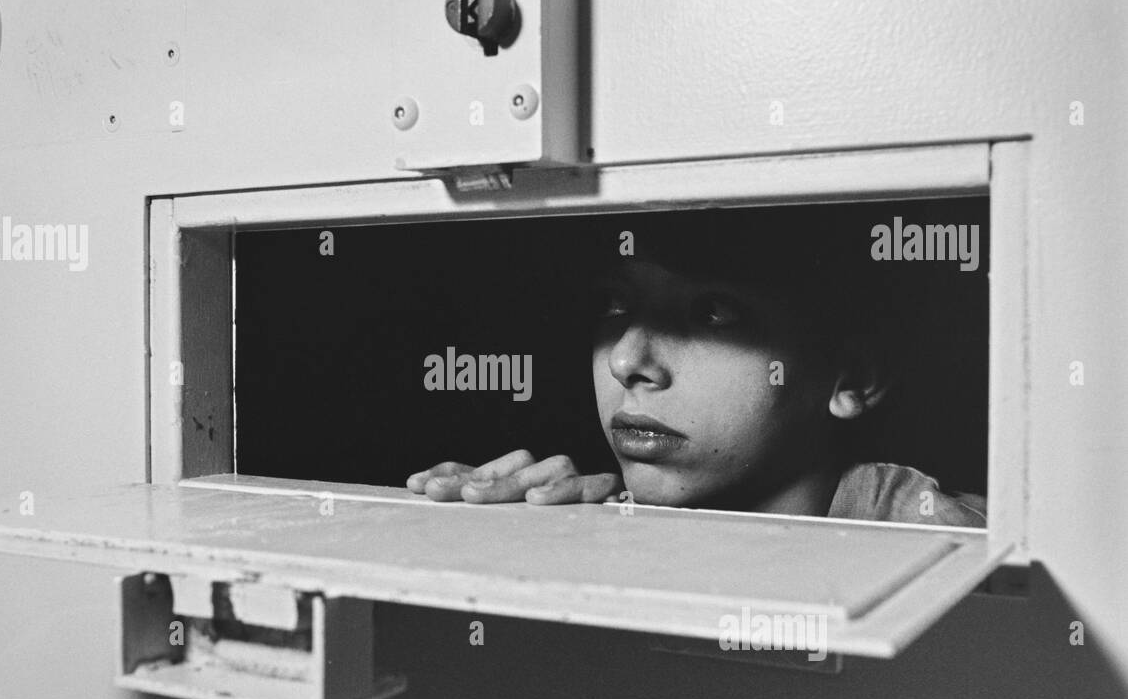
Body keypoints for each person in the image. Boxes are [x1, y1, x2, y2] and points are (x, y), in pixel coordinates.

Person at [406, 208, 986, 527]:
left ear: (853, 378)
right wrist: (531, 541)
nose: (626, 361)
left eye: (712, 312)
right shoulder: (601, 515)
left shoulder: (942, 548)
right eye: (615, 305)